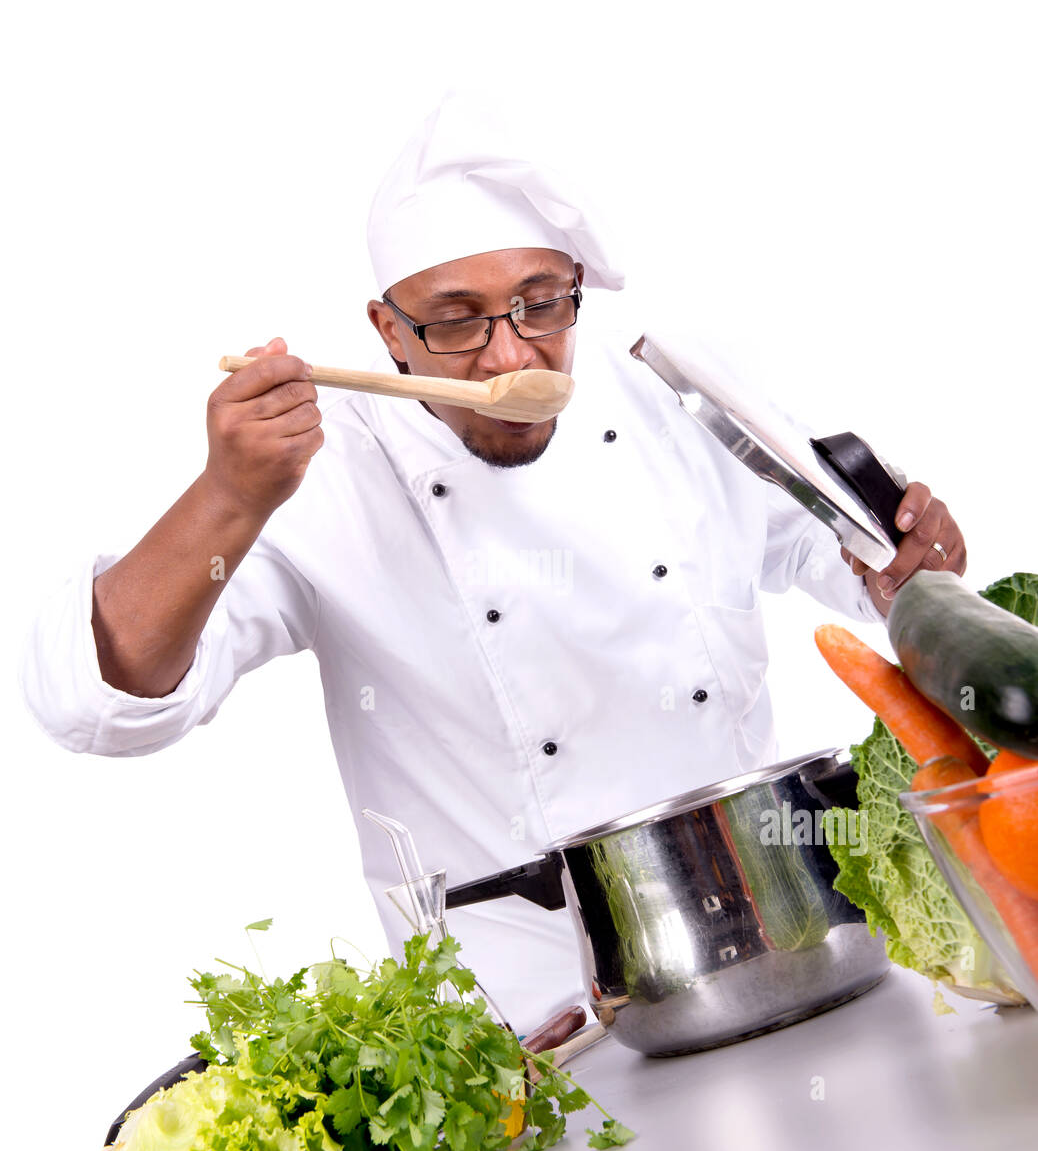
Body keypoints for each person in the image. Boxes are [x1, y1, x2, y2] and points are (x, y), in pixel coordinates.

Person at [18, 95, 966, 1036]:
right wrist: (228, 497)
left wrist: (904, 568)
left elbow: (827, 543)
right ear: (388, 330)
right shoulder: (319, 474)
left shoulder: (671, 393)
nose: (508, 353)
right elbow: (99, 702)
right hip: (515, 1038)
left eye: (539, 305)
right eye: (456, 321)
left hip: (778, 946)